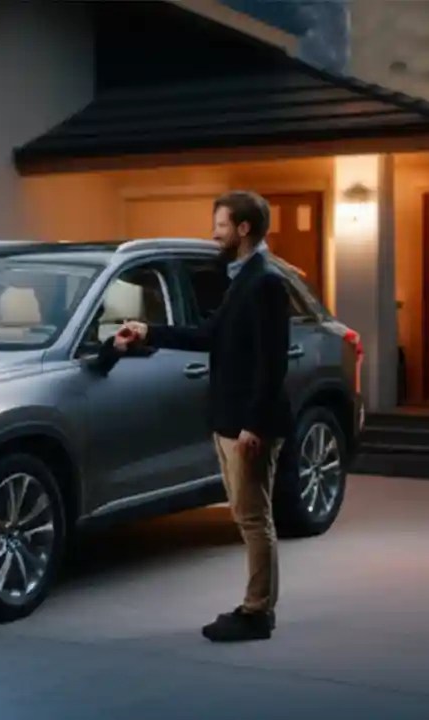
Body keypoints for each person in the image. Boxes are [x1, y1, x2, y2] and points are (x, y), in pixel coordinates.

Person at [114, 190, 292, 642]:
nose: (214, 235)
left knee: (254, 518)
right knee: (247, 514)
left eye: (220, 226)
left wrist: (255, 422)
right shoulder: (241, 276)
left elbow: (273, 361)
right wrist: (148, 330)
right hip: (229, 419)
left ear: (243, 229)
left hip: (248, 424)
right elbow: (209, 335)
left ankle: (257, 612)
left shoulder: (265, 280)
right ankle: (257, 607)